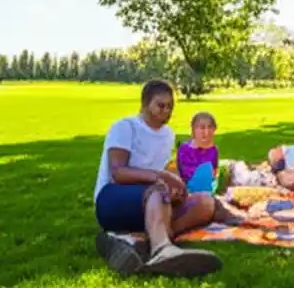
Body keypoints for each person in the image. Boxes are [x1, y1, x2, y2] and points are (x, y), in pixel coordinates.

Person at [93, 80, 222, 277]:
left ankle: (140, 243)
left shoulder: (167, 135)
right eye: (160, 105)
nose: (166, 111)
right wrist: (161, 178)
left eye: (170, 106)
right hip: (112, 199)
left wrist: (175, 188)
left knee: (204, 202)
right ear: (145, 104)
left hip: (150, 200)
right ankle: (162, 249)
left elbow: (159, 170)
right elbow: (118, 173)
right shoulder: (125, 127)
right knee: (159, 191)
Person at [177, 111, 219, 194]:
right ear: (194, 130)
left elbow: (214, 172)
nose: (206, 132)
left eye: (210, 127)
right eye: (202, 128)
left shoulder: (213, 150)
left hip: (207, 189)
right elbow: (184, 172)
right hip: (189, 189)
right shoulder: (185, 149)